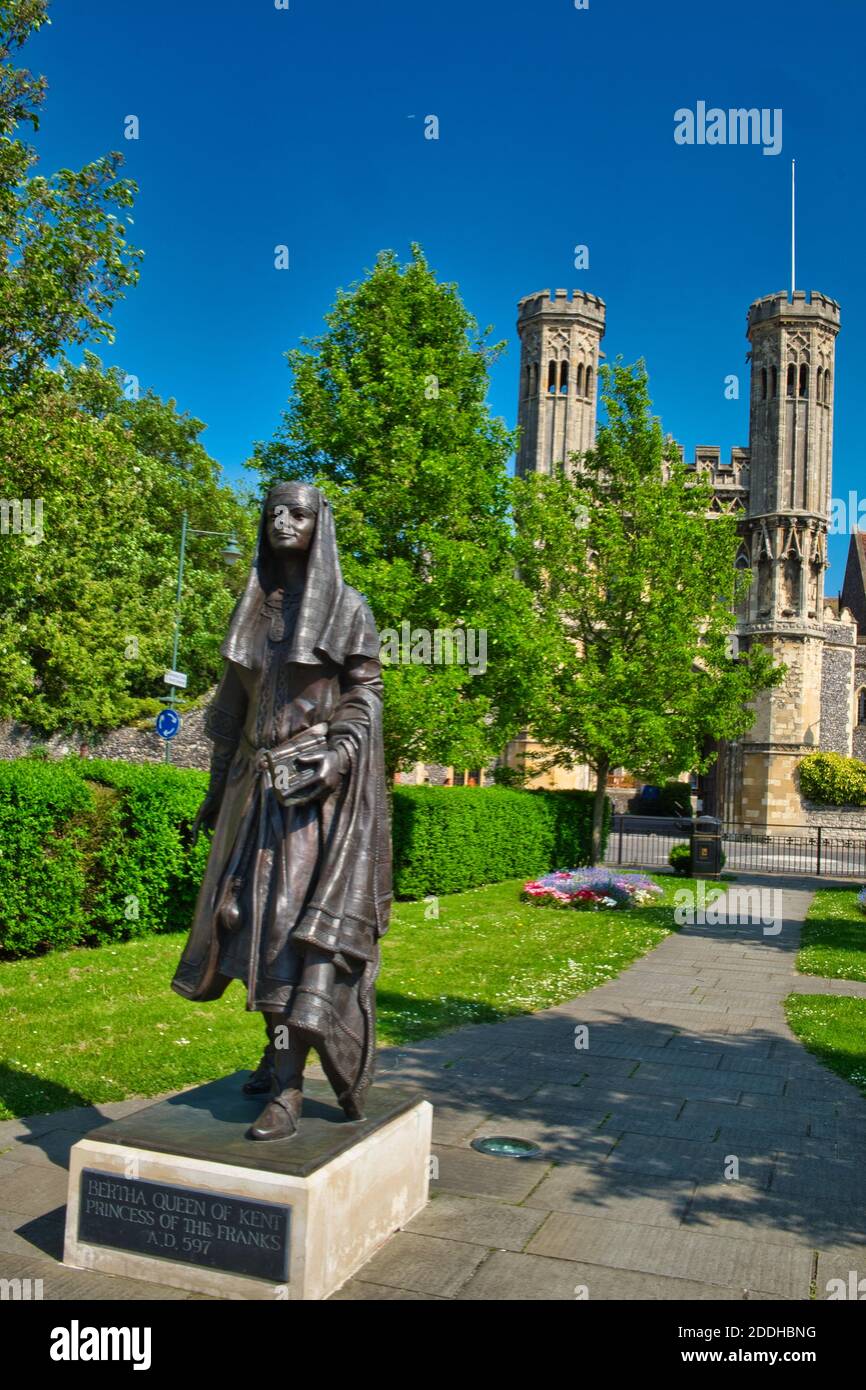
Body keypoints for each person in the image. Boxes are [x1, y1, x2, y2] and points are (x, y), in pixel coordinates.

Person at [171, 481, 392, 1140]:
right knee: (240, 928)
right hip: (252, 790)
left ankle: (291, 1089)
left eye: (297, 512)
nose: (282, 522)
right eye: (272, 512)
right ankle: (275, 1062)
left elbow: (366, 693)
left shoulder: (347, 609)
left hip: (308, 797)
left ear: (318, 522)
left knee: (289, 937)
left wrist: (340, 755)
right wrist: (215, 794)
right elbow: (229, 714)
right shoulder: (255, 611)